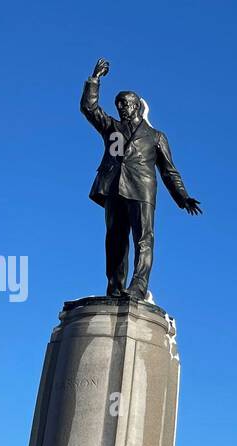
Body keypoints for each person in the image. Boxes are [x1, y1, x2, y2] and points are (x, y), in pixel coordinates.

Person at [80, 58, 202, 300]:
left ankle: (138, 286)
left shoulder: (156, 136)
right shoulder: (111, 128)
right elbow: (89, 109)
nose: (120, 108)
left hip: (142, 189)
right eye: (118, 104)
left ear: (136, 106)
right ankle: (115, 289)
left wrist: (183, 197)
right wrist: (95, 80)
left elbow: (169, 170)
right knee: (115, 240)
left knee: (144, 239)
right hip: (114, 188)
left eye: (125, 104)